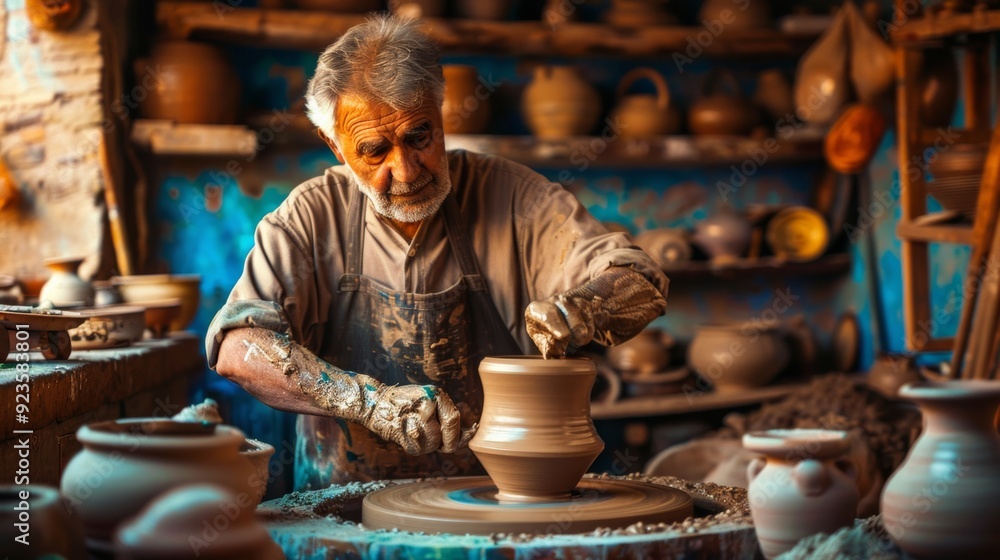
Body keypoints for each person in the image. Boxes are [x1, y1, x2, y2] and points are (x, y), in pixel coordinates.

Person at [206, 15, 669, 490]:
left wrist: (582, 311)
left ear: (441, 114)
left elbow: (642, 281)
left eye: (419, 136)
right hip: (345, 505)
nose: (405, 171)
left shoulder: (514, 198)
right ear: (335, 146)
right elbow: (237, 348)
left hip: (500, 498)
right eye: (374, 149)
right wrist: (365, 401)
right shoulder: (310, 217)